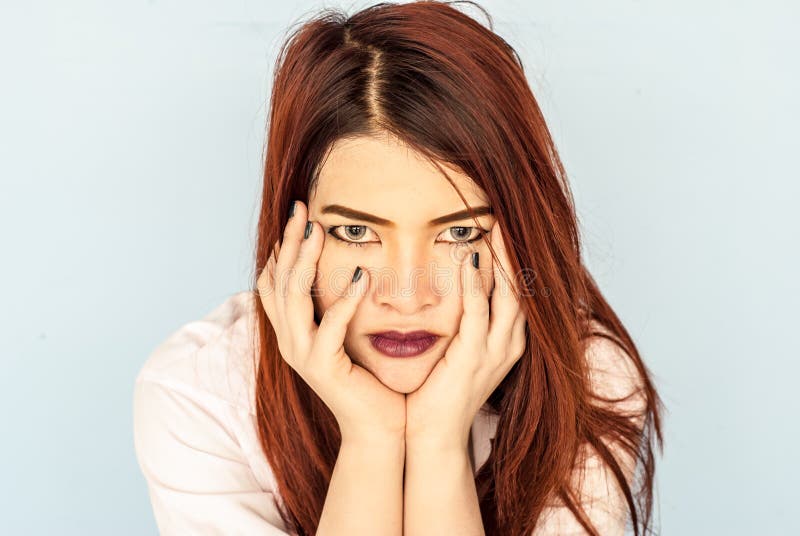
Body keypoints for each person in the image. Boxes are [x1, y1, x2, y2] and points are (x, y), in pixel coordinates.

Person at [133, 1, 664, 535]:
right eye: (356, 233)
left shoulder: (587, 380)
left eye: (459, 233)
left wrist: (438, 442)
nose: (407, 297)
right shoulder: (200, 395)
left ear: (518, 238)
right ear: (292, 234)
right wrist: (372, 437)